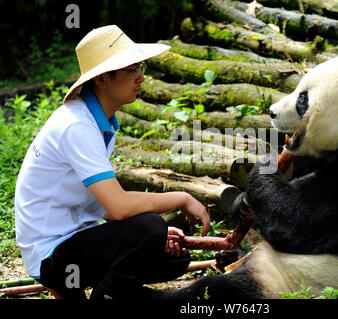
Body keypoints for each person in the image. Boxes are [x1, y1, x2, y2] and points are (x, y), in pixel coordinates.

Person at [14, 25, 210, 300]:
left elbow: (104, 205)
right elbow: (118, 207)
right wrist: (182, 198)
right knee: (151, 229)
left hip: (74, 244)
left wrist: (146, 236)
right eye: (133, 70)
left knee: (171, 255)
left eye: (140, 68)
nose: (141, 78)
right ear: (103, 79)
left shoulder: (100, 124)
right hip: (51, 254)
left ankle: (106, 293)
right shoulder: (77, 126)